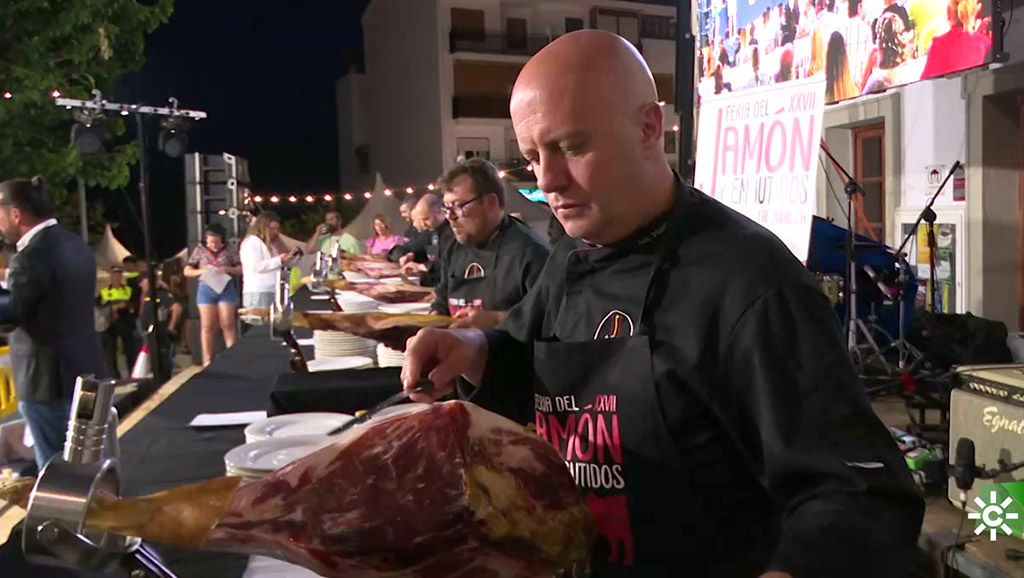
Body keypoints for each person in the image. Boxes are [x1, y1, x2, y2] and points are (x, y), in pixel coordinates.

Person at [402, 30, 923, 577]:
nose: (548, 182)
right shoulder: (573, 255)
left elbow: (862, 494)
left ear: (650, 127)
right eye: (533, 157)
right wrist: (470, 349)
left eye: (573, 148)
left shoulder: (752, 283)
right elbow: (522, 357)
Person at [0, 177, 106, 469]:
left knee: (56, 471)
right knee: (87, 464)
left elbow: (11, 313)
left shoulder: (30, 257)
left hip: (45, 381)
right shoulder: (76, 244)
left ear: (16, 214)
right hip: (85, 370)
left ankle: (65, 516)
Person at [430, 158, 550, 330]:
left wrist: (496, 319)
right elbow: (441, 302)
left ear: (491, 203)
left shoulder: (531, 253)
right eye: (447, 208)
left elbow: (550, 319)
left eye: (458, 207)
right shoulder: (454, 246)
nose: (450, 217)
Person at [184, 223, 241, 367]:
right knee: (207, 326)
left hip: (225, 287)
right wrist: (201, 271)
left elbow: (241, 269)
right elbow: (187, 270)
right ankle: (207, 359)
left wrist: (227, 268)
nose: (213, 245)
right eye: (210, 242)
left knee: (228, 323)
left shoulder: (230, 250)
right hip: (206, 288)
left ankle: (232, 357)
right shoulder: (200, 250)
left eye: (216, 242)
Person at [240, 211, 300, 308]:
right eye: (272, 229)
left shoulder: (271, 245)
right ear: (263, 227)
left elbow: (278, 265)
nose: (275, 232)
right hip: (258, 290)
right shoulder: (252, 242)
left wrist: (291, 258)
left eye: (277, 229)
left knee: (273, 320)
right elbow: (256, 266)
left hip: (273, 289)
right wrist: (279, 260)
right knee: (260, 321)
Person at [392, 194, 454, 287]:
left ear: (439, 213)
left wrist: (421, 267)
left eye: (426, 219)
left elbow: (452, 262)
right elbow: (412, 247)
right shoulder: (430, 232)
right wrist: (411, 255)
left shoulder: (453, 232)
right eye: (421, 220)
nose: (423, 224)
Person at [97, 265, 138, 378]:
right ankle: (114, 376)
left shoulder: (128, 290)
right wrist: (111, 309)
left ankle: (132, 374)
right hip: (111, 325)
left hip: (126, 322)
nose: (117, 276)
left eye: (119, 274)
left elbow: (133, 304)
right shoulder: (104, 292)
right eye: (114, 274)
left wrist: (121, 306)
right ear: (111, 275)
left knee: (129, 350)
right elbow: (99, 307)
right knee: (110, 352)